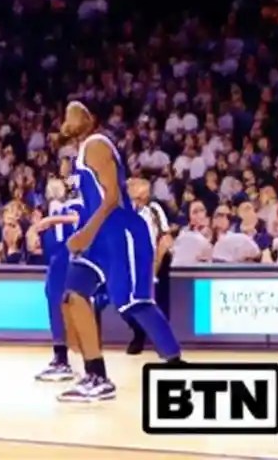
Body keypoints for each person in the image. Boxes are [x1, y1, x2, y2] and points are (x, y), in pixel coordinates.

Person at [56, 101, 183, 403]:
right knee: (73, 295)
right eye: (68, 112)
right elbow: (93, 201)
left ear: (91, 120)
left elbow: (112, 197)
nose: (72, 116)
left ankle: (175, 363)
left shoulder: (97, 144)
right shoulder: (78, 155)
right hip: (97, 236)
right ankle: (95, 374)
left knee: (133, 304)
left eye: (79, 112)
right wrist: (82, 229)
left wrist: (86, 233)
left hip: (119, 232)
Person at [30, 175, 83, 381]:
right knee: (53, 301)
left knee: (59, 303)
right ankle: (60, 356)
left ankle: (64, 360)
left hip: (65, 257)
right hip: (56, 257)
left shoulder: (74, 203)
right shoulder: (53, 206)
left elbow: (80, 219)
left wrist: (50, 220)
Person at [126, 176, 173, 355]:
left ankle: (163, 342)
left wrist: (155, 265)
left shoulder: (154, 209)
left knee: (159, 302)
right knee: (129, 303)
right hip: (131, 261)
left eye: (145, 194)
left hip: (156, 258)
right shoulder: (122, 211)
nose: (143, 197)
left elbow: (165, 239)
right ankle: (138, 334)